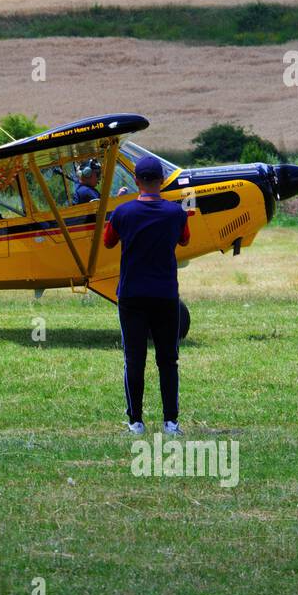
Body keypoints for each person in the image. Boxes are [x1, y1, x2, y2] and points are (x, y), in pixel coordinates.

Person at [102, 155, 190, 436]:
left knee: (134, 358)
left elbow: (108, 241)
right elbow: (185, 239)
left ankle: (136, 421)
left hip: (131, 295)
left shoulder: (123, 213)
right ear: (162, 181)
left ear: (136, 181)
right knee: (168, 359)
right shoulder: (176, 213)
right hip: (165, 295)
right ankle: (171, 422)